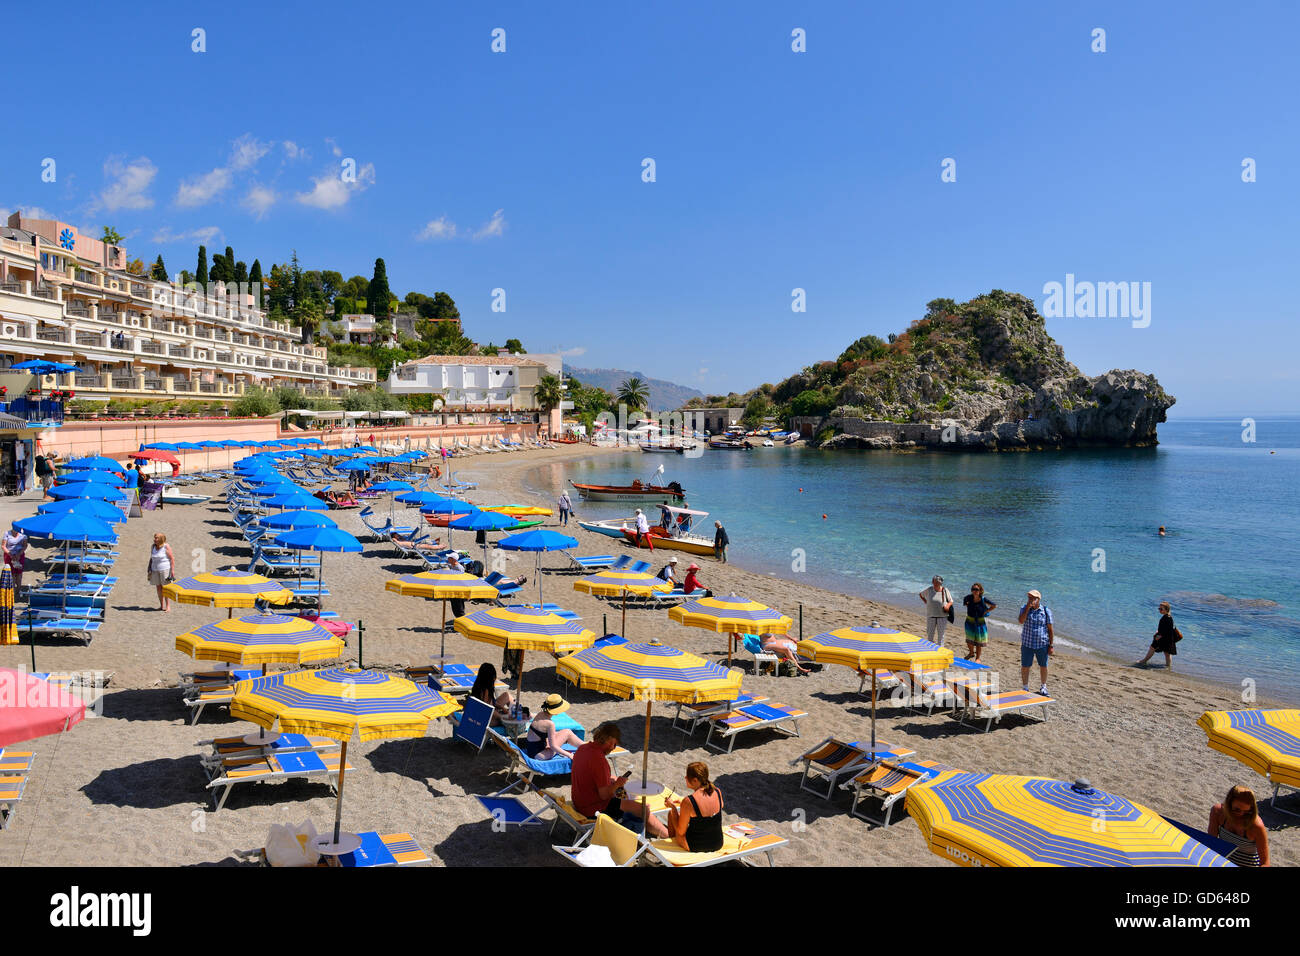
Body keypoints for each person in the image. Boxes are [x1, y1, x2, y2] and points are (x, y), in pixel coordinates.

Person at [570, 722, 668, 837]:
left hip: (579, 801)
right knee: (643, 809)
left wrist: (613, 781)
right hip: (593, 809)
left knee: (623, 793)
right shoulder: (599, 760)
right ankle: (667, 836)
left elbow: (589, 777)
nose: (613, 748)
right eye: (614, 745)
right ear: (610, 741)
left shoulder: (583, 748)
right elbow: (603, 795)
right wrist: (617, 784)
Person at [663, 761, 725, 852]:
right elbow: (709, 809)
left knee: (671, 814)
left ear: (695, 780)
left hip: (696, 846)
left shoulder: (689, 801)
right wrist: (684, 805)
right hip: (717, 843)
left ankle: (674, 845)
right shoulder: (717, 791)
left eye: (687, 776)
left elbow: (680, 831)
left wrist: (673, 808)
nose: (685, 778)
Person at [1209, 786, 1269, 866]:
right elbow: (1210, 842)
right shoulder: (1218, 812)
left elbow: (1265, 863)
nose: (1241, 815)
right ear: (1228, 804)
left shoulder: (1256, 826)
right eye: (1237, 810)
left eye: (1247, 812)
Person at [521, 694, 584, 759]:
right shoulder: (550, 724)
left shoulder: (540, 714)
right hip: (539, 755)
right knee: (567, 733)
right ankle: (585, 746)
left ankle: (584, 745)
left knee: (565, 732)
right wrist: (569, 755)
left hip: (531, 750)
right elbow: (553, 746)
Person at [1018, 589, 1054, 695]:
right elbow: (1021, 621)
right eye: (1029, 598)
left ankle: (1043, 687)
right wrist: (1027, 609)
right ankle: (1025, 687)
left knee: (1043, 665)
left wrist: (1051, 645)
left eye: (1033, 598)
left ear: (1038, 599)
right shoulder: (1024, 608)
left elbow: (1050, 629)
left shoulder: (1046, 611)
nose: (1031, 600)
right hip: (1027, 644)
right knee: (1025, 666)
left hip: (1042, 644)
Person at [1136, 601, 1179, 668]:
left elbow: (1168, 630)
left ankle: (1144, 661)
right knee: (1166, 653)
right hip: (1165, 637)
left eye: (1161, 609)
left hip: (1164, 638)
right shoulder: (1166, 617)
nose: (1159, 610)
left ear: (1166, 609)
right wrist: (1158, 632)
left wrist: (1160, 635)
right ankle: (1168, 666)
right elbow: (1164, 628)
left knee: (1157, 649)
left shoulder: (1168, 618)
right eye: (1159, 608)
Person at [962, 583, 996, 662]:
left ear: (980, 591)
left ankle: (978, 658)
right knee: (969, 640)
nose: (974, 591)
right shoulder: (968, 598)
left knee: (978, 641)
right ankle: (971, 653)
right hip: (969, 621)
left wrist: (986, 611)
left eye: (976, 589)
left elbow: (994, 605)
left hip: (980, 623)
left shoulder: (983, 599)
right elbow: (965, 603)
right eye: (973, 589)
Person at [919, 575, 954, 646]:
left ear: (941, 583)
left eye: (938, 582)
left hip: (942, 616)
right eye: (934, 582)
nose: (936, 584)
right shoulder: (929, 590)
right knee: (930, 635)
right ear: (932, 582)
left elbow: (951, 601)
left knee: (941, 636)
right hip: (931, 615)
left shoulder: (945, 590)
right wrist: (926, 602)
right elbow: (921, 595)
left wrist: (947, 605)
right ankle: (930, 650)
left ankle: (940, 651)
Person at [147, 532, 176, 611]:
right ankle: (161, 605)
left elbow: (172, 558)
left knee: (165, 588)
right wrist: (149, 568)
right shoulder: (153, 546)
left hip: (165, 569)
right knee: (158, 588)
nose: (154, 539)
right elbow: (151, 558)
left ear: (161, 539)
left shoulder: (166, 546)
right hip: (155, 569)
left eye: (156, 538)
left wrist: (172, 570)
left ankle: (168, 606)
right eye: (154, 537)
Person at [2, 524, 28, 589]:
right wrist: (11, 555)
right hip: (9, 555)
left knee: (19, 573)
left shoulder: (23, 534)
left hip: (20, 555)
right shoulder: (7, 533)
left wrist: (19, 554)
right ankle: (12, 589)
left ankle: (19, 589)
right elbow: (3, 546)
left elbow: (25, 545)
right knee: (12, 574)